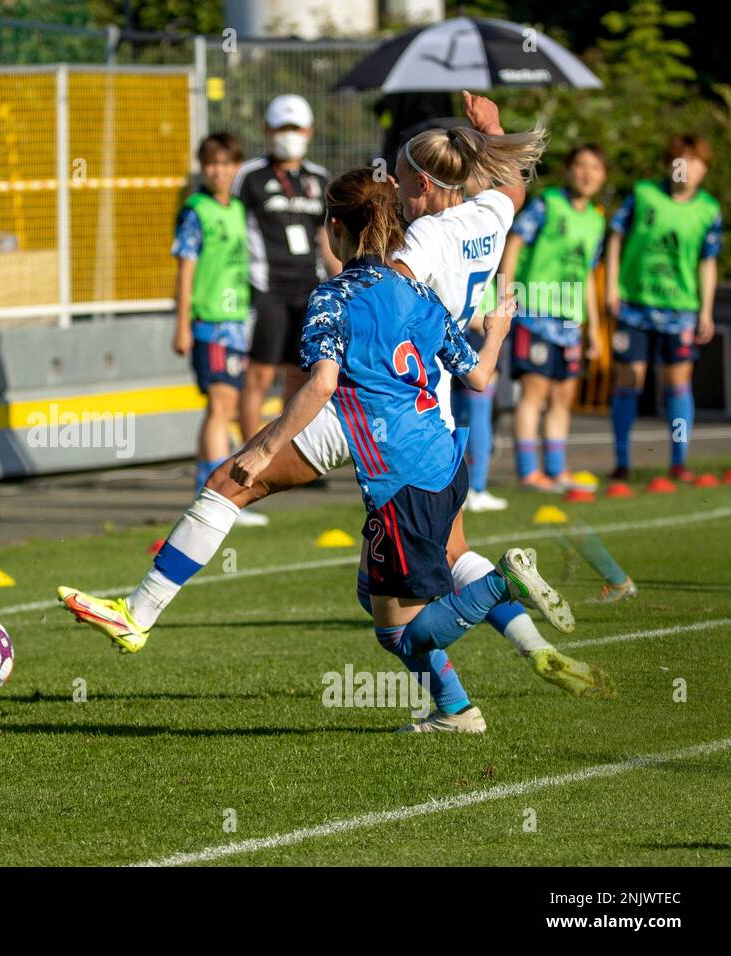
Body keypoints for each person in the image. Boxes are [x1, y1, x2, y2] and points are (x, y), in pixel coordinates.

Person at [59, 92, 611, 699]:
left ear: (424, 185)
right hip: (436, 403)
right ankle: (503, 670)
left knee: (234, 484)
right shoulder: (487, 219)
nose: (397, 190)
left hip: (373, 403)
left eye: (401, 179)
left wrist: (342, 290)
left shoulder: (417, 246)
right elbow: (510, 194)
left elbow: (368, 317)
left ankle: (139, 613)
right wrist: (494, 131)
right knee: (443, 556)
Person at [228, 167, 573, 732]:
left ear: (334, 228)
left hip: (399, 484)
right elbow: (480, 379)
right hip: (445, 462)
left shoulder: (332, 297)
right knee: (372, 592)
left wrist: (265, 450)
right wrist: (499, 329)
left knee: (396, 632)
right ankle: (455, 710)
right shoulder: (418, 292)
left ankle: (501, 584)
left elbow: (318, 385)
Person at [606, 133, 722, 482]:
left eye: (693, 161)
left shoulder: (708, 210)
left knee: (677, 385)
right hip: (636, 306)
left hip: (681, 310)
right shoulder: (643, 194)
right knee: (631, 380)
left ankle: (678, 461)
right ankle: (622, 461)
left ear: (704, 169)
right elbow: (616, 236)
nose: (685, 167)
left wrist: (705, 310)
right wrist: (612, 285)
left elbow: (707, 261)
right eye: (679, 159)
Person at [498, 144, 609, 492]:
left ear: (603, 176)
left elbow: (589, 273)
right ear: (568, 170)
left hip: (570, 321)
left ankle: (557, 470)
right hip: (537, 312)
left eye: (595, 167)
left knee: (563, 397)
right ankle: (529, 472)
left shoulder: (597, 219)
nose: (587, 173)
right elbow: (515, 240)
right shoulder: (548, 204)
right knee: (535, 393)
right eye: (581, 165)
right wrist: (507, 290)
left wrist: (594, 327)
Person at [233, 94, 342, 443]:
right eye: (282, 127)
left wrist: (341, 281)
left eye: (295, 127)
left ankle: (286, 453)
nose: (289, 134)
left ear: (309, 131)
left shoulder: (319, 177)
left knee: (301, 376)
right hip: (266, 288)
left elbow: (326, 236)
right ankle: (248, 455)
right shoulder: (249, 176)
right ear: (267, 130)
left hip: (310, 288)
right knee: (260, 375)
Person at [172, 132, 265, 521]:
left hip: (236, 321)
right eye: (211, 163)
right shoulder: (197, 211)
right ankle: (219, 499)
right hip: (209, 321)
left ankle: (205, 493)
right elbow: (186, 269)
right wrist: (182, 324)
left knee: (221, 407)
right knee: (221, 406)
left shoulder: (240, 209)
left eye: (226, 163)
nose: (218, 171)